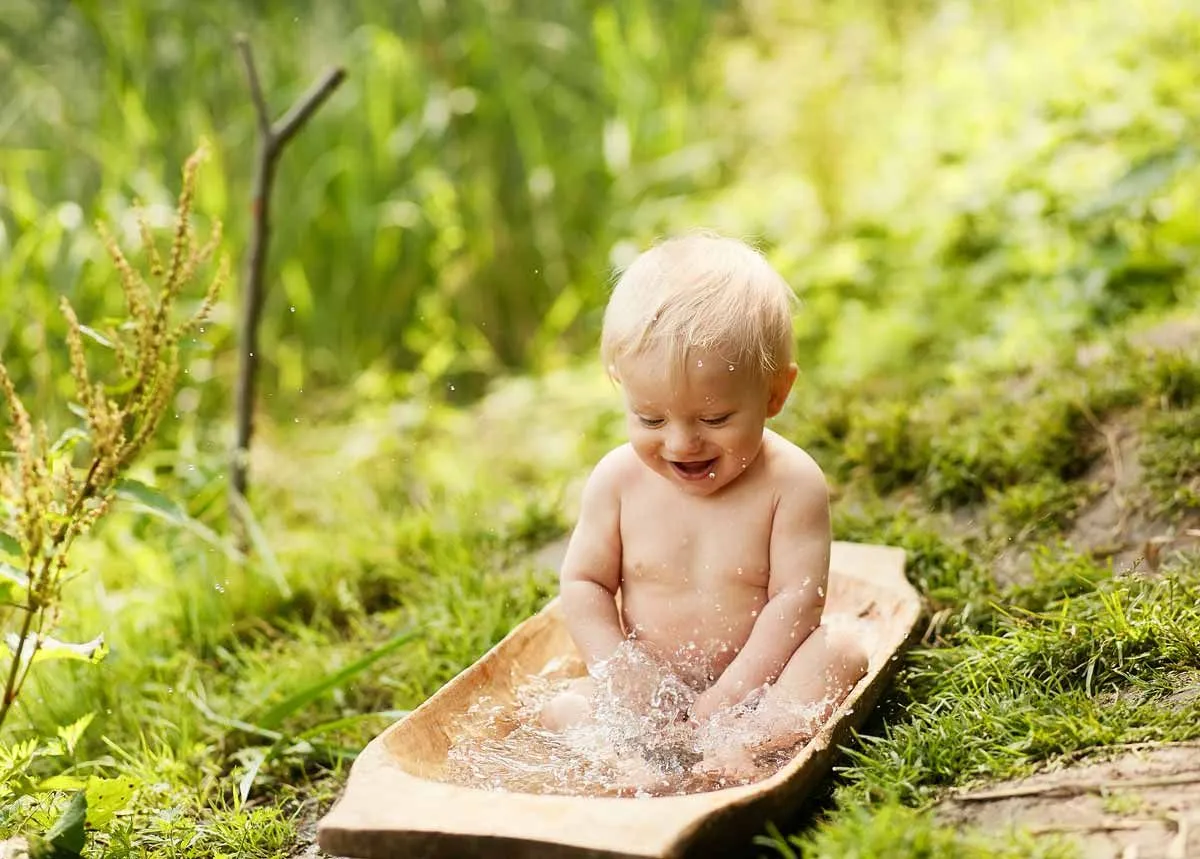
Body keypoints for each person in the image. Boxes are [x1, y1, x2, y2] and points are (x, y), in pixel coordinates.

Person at [538, 232, 868, 777]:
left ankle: (749, 746)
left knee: (841, 653)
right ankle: (625, 759)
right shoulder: (618, 481)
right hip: (651, 695)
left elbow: (796, 601)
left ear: (774, 395)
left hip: (761, 687)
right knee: (565, 707)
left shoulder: (791, 483)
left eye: (714, 420)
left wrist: (732, 697)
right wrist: (622, 671)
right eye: (650, 419)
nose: (680, 443)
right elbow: (583, 585)